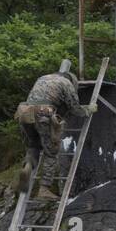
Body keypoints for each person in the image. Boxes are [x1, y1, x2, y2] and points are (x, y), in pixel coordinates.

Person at [16, 63, 96, 199]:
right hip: (43, 114)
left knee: (33, 146)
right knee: (51, 152)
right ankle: (44, 188)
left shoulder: (42, 78)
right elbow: (75, 108)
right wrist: (89, 109)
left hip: (24, 114)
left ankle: (27, 168)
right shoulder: (66, 83)